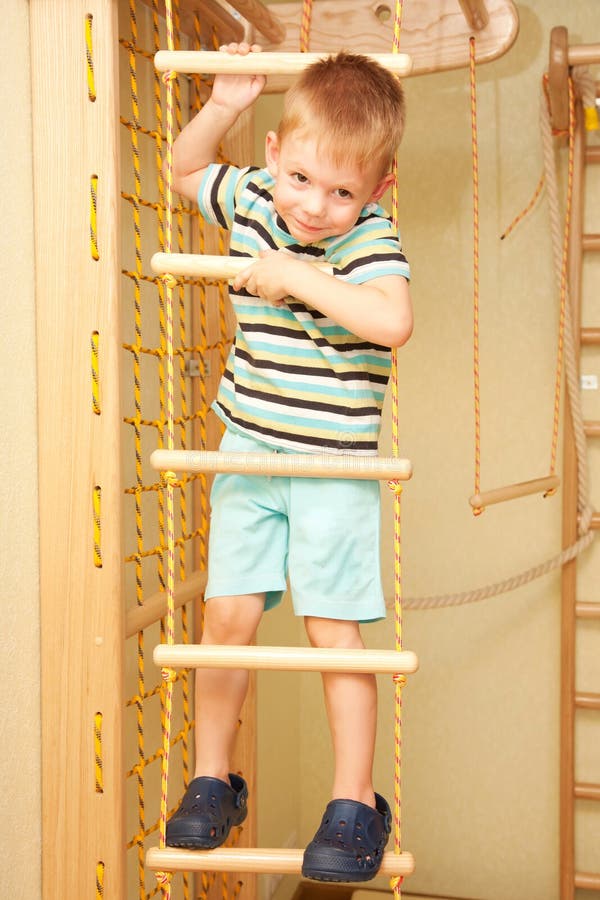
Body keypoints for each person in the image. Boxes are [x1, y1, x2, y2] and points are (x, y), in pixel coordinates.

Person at [165, 42, 413, 883]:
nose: (313, 206)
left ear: (376, 191)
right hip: (248, 448)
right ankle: (211, 777)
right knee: (227, 616)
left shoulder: (371, 237)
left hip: (334, 465)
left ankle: (354, 804)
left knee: (330, 629)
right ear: (275, 153)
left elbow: (392, 322)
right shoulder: (256, 195)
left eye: (342, 191)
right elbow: (184, 168)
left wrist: (297, 277)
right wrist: (226, 106)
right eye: (302, 178)